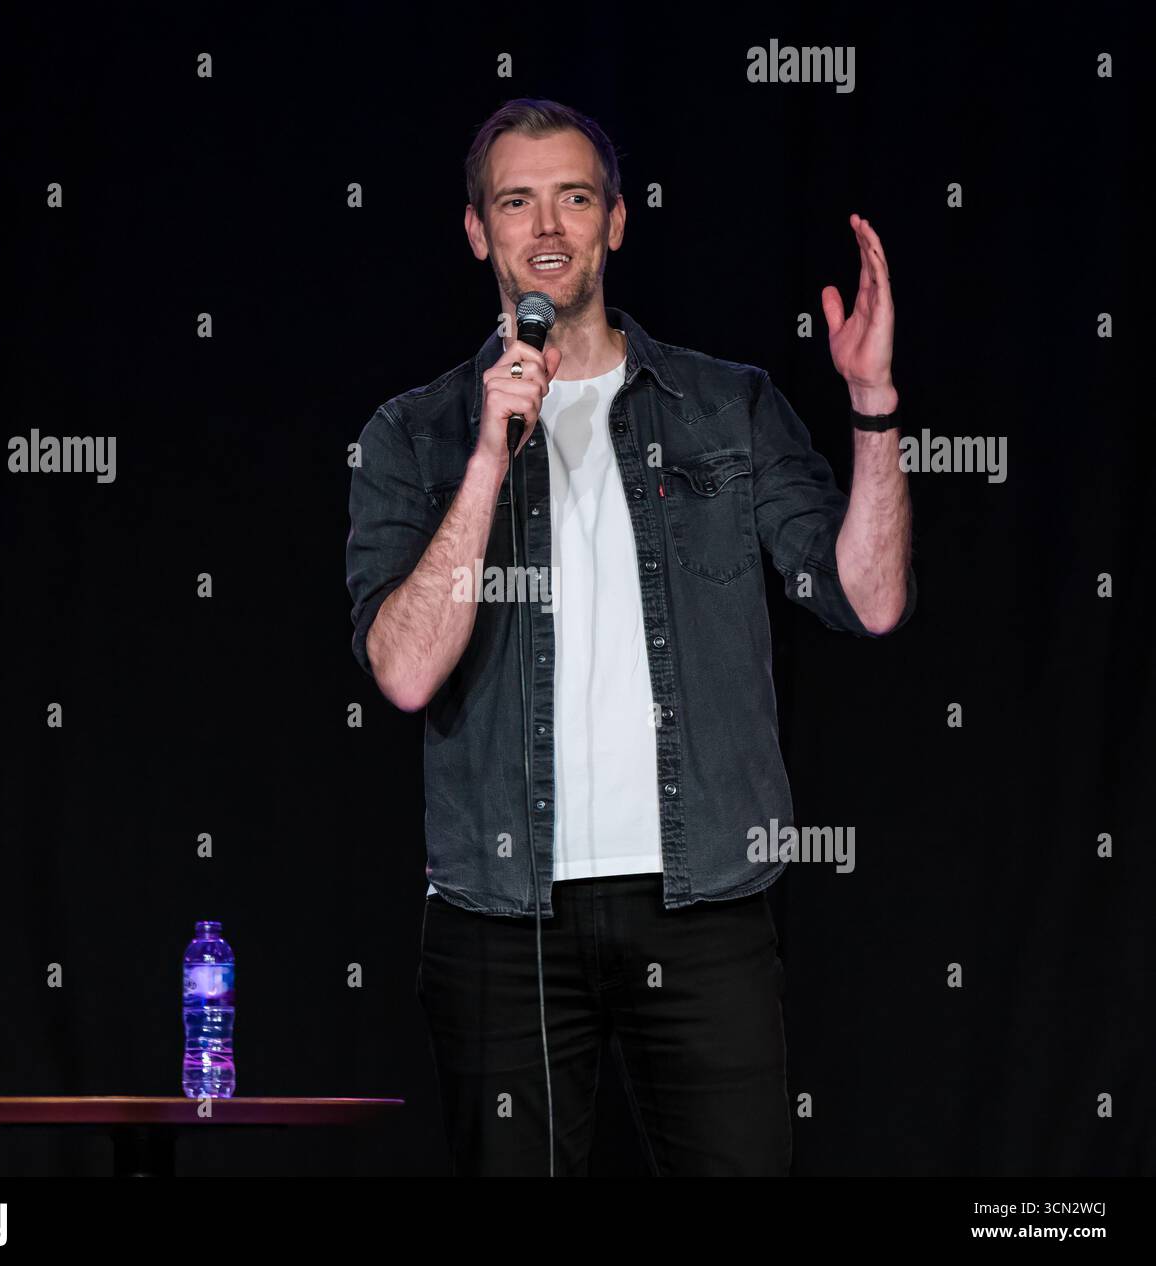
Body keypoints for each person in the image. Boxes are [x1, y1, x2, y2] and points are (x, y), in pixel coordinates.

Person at [345, 97, 916, 1176]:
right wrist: (486, 461)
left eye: (574, 197)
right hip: (499, 918)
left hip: (701, 908)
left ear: (616, 222)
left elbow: (869, 599)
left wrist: (873, 405)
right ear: (477, 230)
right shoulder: (412, 436)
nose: (546, 227)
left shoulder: (725, 406)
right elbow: (406, 671)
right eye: (516, 202)